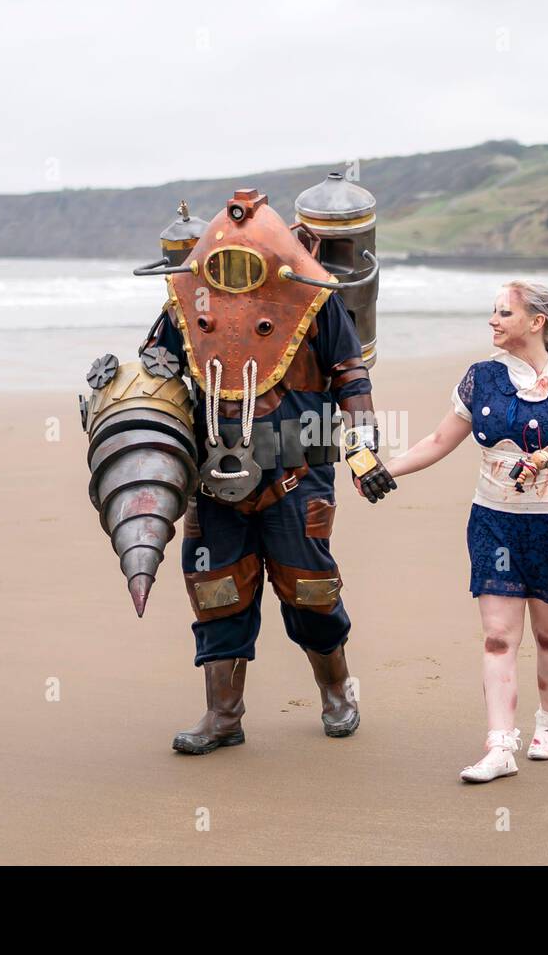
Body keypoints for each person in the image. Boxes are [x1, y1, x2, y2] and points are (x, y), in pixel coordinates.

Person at [137, 188, 397, 754]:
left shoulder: (312, 300)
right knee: (216, 591)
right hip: (214, 481)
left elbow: (352, 380)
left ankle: (337, 695)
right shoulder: (185, 303)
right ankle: (222, 715)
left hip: (296, 478)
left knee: (311, 590)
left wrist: (362, 451)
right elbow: (154, 387)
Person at [382, 281, 548, 783]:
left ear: (536, 322)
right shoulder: (480, 378)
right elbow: (439, 439)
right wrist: (388, 469)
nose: (492, 320)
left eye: (503, 312)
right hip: (492, 524)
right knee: (496, 637)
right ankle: (499, 748)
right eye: (492, 311)